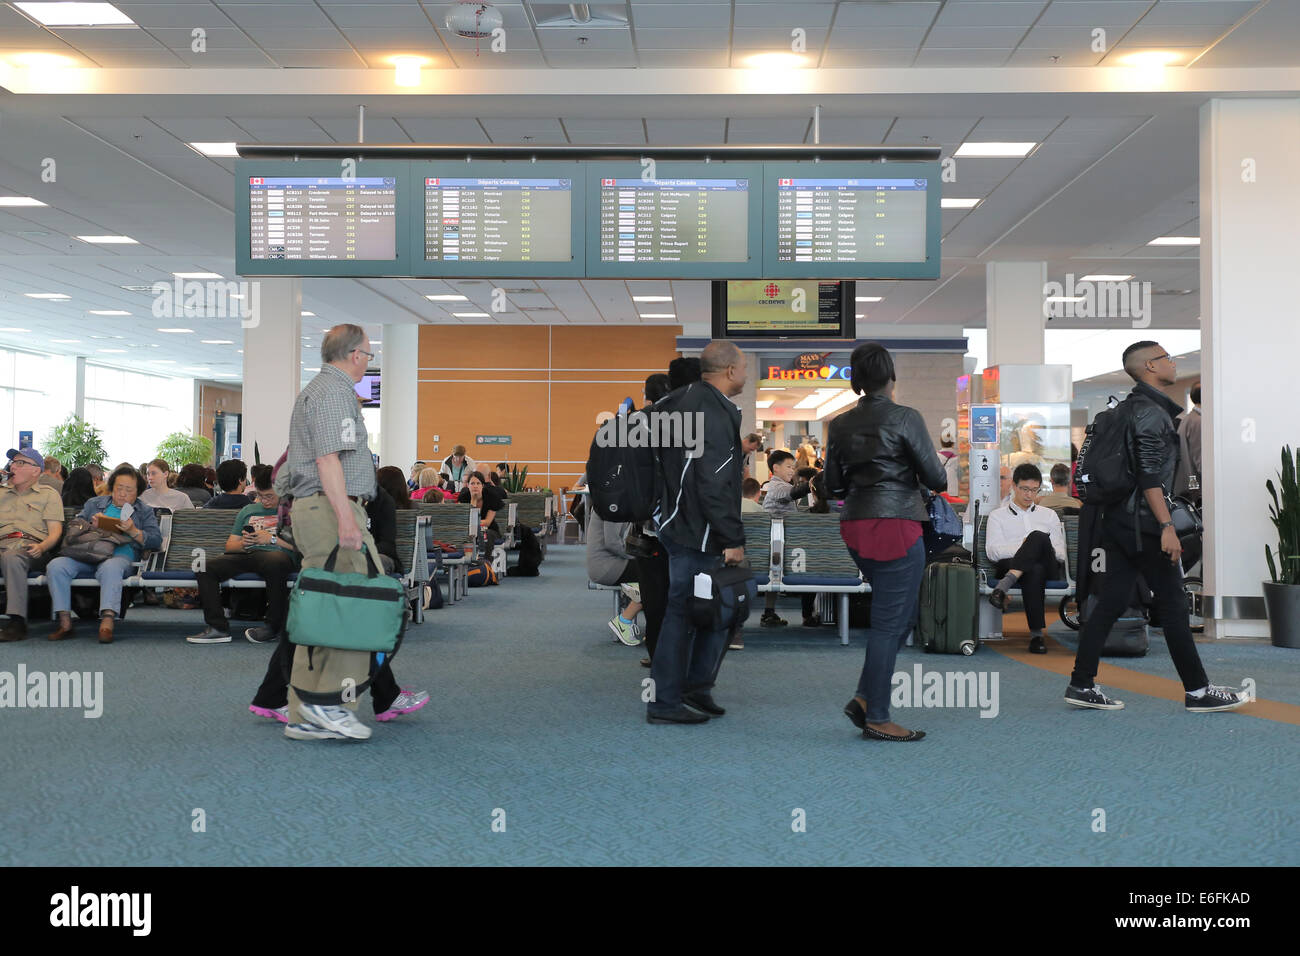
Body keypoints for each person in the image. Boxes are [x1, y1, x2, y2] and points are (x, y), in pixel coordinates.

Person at [1066, 342, 1246, 713]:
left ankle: (1081, 683)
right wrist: (1166, 525)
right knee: (1174, 606)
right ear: (1150, 365)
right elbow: (1150, 476)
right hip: (1145, 524)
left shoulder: (1128, 409)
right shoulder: (1151, 413)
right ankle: (1198, 691)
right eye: (1166, 357)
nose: (1173, 362)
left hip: (1118, 522)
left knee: (1110, 602)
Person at [277, 324, 428, 742]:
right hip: (330, 510)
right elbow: (328, 461)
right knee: (355, 606)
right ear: (354, 354)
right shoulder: (333, 393)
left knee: (325, 609)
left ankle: (305, 710)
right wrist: (347, 518)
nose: (369, 360)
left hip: (323, 508)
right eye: (368, 354)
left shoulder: (323, 391)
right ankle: (330, 705)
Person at [824, 342, 948, 743]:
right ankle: (877, 715)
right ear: (891, 376)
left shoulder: (839, 424)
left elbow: (832, 485)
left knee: (897, 616)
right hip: (895, 523)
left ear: (856, 379)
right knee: (890, 621)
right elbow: (937, 479)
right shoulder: (905, 417)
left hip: (856, 524)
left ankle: (864, 698)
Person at [647, 340, 746, 725]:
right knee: (684, 613)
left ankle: (695, 688)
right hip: (698, 531)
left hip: (674, 523)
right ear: (730, 371)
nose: (746, 375)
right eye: (744, 368)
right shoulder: (713, 412)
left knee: (707, 610)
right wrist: (732, 537)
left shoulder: (679, 401)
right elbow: (713, 482)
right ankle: (665, 701)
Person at [47, 464, 162, 644]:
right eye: (119, 488)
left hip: (120, 556)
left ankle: (107, 622)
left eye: (128, 490)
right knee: (56, 565)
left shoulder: (143, 511)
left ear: (138, 492)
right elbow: (75, 526)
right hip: (88, 554)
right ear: (112, 487)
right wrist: (89, 526)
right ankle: (65, 621)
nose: (123, 494)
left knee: (111, 567)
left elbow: (156, 540)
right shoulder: (94, 504)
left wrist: (133, 531)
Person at [186, 466, 297, 645]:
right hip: (248, 554)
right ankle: (218, 627)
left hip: (278, 555)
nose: (264, 501)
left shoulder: (293, 512)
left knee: (275, 562)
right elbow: (230, 546)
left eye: (269, 496)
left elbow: (301, 546)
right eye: (260, 495)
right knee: (205, 567)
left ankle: (272, 627)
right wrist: (243, 544)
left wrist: (272, 540)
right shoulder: (248, 510)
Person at [986, 464, 1066, 655]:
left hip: (1049, 564)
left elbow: (1061, 553)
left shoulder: (1049, 515)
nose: (1029, 495)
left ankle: (1003, 586)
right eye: (1025, 489)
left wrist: (1034, 544)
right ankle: (1037, 635)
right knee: (1034, 568)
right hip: (1014, 566)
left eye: (1034, 490)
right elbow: (993, 552)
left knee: (1038, 537)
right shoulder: (997, 516)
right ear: (1014, 486)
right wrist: (1024, 548)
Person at [0, 447, 65, 642]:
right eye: (13, 462)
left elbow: (55, 532)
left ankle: (17, 622)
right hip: (3, 544)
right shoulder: (1, 492)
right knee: (8, 555)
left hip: (31, 547)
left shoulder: (48, 494)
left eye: (21, 463)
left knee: (12, 557)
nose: (14, 466)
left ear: (36, 470)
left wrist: (43, 546)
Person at [631, 372, 672, 669]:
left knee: (653, 595)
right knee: (679, 594)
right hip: (681, 526)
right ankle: (677, 655)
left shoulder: (632, 424)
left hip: (646, 525)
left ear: (646, 396)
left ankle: (657, 652)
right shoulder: (688, 422)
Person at [759, 449, 817, 629]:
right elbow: (793, 493)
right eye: (789, 467)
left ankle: (769, 612)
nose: (792, 471)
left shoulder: (780, 485)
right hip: (780, 543)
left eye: (794, 467)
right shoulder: (777, 486)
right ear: (775, 468)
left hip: (779, 542)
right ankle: (807, 615)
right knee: (813, 566)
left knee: (773, 574)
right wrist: (814, 483)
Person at [586, 510, 644, 646]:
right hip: (606, 567)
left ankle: (635, 590)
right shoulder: (612, 506)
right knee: (656, 577)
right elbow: (612, 543)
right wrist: (637, 557)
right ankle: (624, 621)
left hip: (610, 563)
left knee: (654, 570)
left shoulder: (618, 502)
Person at [1174, 381, 1202, 503]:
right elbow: (1201, 460)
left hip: (1190, 487)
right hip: (1197, 490)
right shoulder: (1198, 421)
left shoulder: (1190, 418)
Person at [458, 471, 505, 537]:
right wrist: (473, 500)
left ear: (482, 485)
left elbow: (487, 522)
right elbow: (461, 520)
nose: (475, 486)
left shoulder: (491, 496)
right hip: (468, 532)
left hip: (489, 531)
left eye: (478, 483)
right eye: (472, 483)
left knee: (486, 535)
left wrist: (471, 523)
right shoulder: (463, 498)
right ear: (468, 485)